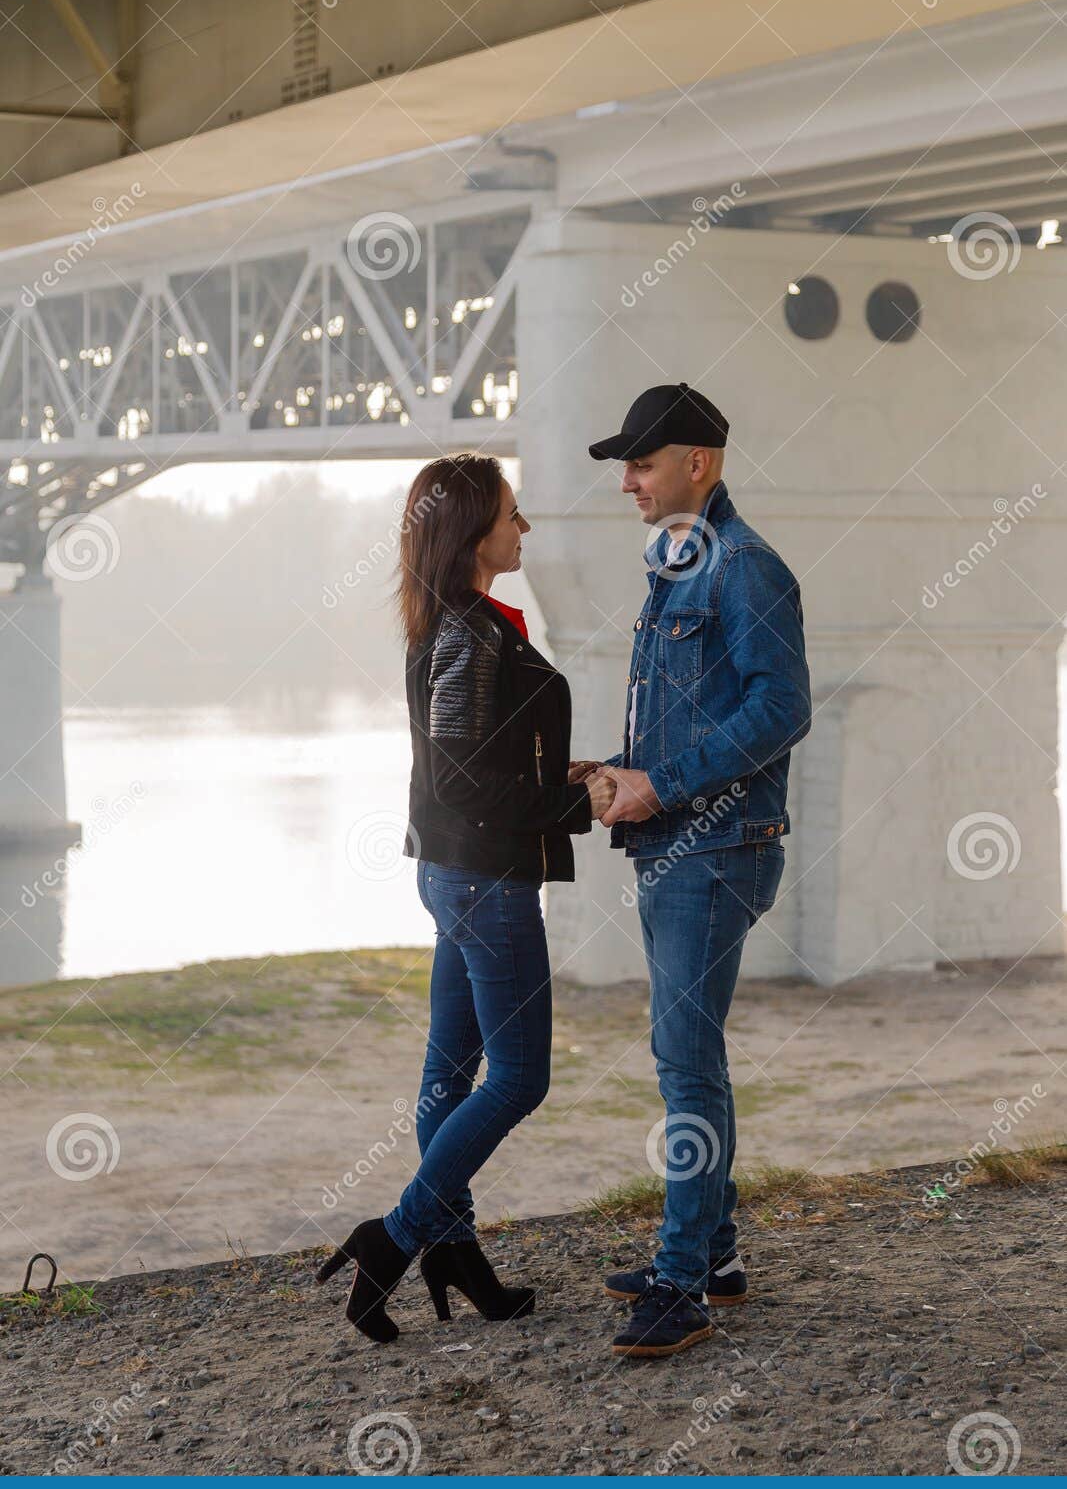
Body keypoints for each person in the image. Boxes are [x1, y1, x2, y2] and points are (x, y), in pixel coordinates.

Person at [318, 453, 616, 1342]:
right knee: (518, 1078)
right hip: (485, 881)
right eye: (513, 516)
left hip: (457, 872)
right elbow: (458, 785)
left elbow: (472, 766)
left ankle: (453, 1248)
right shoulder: (466, 634)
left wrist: (554, 773)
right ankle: (398, 1235)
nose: (524, 529)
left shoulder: (464, 625)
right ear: (472, 534)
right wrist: (578, 803)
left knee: (449, 1073)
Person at [573, 382, 811, 1359]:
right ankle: (708, 1254)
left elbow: (780, 709)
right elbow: (692, 708)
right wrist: (618, 775)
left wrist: (659, 782)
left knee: (683, 1062)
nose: (626, 481)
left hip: (715, 846)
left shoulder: (745, 570)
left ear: (696, 464)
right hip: (677, 840)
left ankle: (681, 1286)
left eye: (641, 462)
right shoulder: (683, 564)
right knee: (691, 1054)